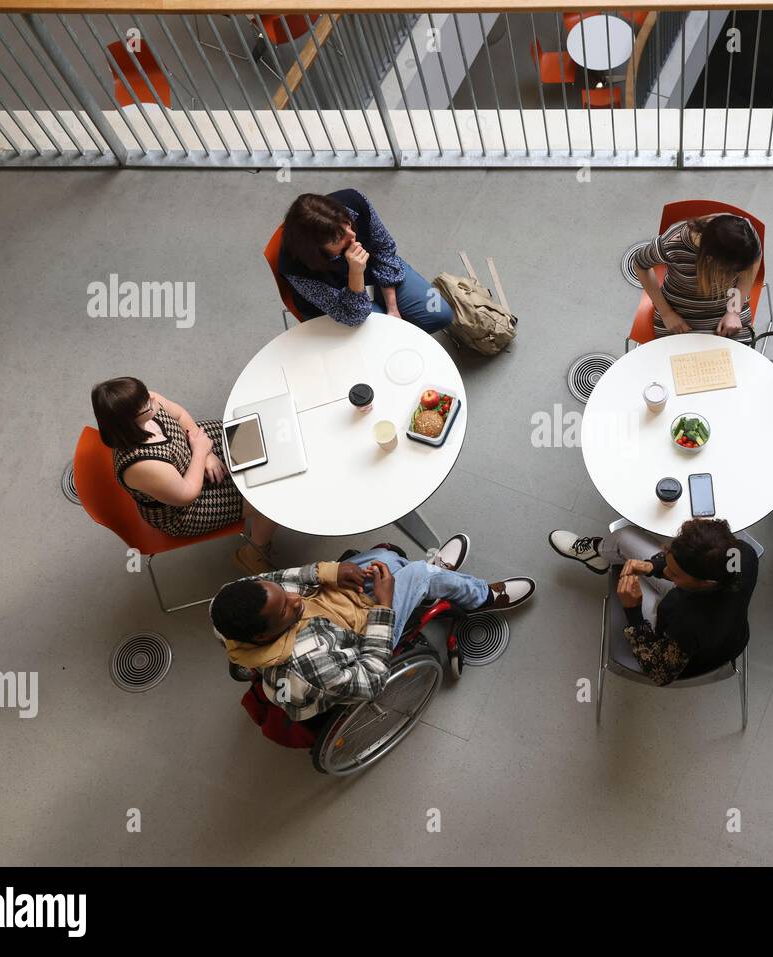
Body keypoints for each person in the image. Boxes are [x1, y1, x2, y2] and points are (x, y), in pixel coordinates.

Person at [209, 535, 534, 721]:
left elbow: (279, 581)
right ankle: (483, 596)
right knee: (416, 573)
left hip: (329, 612)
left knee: (383, 558)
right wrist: (382, 606)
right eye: (285, 607)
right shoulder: (308, 666)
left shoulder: (225, 605)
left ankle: (432, 580)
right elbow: (372, 680)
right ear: (265, 636)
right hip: (363, 642)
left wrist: (330, 572)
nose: (294, 598)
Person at [91, 376, 278, 573]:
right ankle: (252, 554)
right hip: (186, 508)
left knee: (254, 435)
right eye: (147, 405)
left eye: (148, 396)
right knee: (268, 500)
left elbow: (179, 415)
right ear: (129, 422)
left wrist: (207, 454)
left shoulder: (145, 402)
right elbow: (187, 494)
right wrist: (201, 452)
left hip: (190, 449)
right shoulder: (143, 465)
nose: (154, 400)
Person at [549, 520, 757, 686]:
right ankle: (597, 556)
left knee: (626, 575)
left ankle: (604, 558)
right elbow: (675, 564)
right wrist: (652, 565)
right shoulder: (743, 554)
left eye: (673, 573)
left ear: (705, 582)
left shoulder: (686, 620)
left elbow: (659, 673)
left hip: (689, 650)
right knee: (624, 537)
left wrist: (633, 610)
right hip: (718, 625)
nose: (665, 572)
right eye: (668, 559)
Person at [278, 189, 453, 333]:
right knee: (381, 336)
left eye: (347, 224)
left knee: (440, 314)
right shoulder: (296, 268)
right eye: (339, 237)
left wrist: (393, 309)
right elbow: (353, 315)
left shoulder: (353, 203)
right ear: (318, 247)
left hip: (373, 274)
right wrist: (355, 272)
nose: (352, 235)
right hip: (342, 301)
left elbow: (383, 248)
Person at [630, 212, 762, 342]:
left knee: (738, 360)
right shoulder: (672, 243)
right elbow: (640, 264)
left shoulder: (745, 234)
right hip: (678, 314)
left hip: (729, 308)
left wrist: (734, 311)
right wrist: (666, 313)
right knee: (673, 360)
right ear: (709, 259)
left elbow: (754, 261)